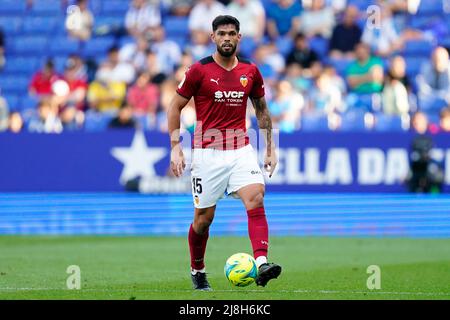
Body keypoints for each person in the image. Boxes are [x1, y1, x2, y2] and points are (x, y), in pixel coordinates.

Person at [167, 15, 282, 291]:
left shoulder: (250, 71)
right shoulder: (198, 71)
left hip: (241, 149)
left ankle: (262, 262)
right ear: (213, 37)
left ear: (239, 37)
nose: (227, 38)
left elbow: (262, 110)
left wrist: (269, 147)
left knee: (256, 197)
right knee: (203, 220)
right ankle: (198, 269)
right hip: (207, 154)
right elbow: (174, 107)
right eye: (222, 33)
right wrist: (175, 147)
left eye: (232, 33)